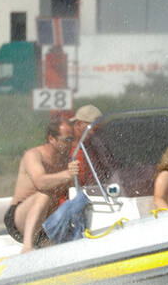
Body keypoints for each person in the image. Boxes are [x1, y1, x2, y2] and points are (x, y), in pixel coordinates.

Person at [5, 105, 102, 252]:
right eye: (67, 140)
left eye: (72, 139)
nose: (70, 144)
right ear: (51, 139)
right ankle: (27, 246)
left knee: (80, 200)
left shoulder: (67, 159)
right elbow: (40, 182)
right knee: (45, 194)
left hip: (47, 223)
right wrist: (67, 175)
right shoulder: (33, 155)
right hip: (20, 218)